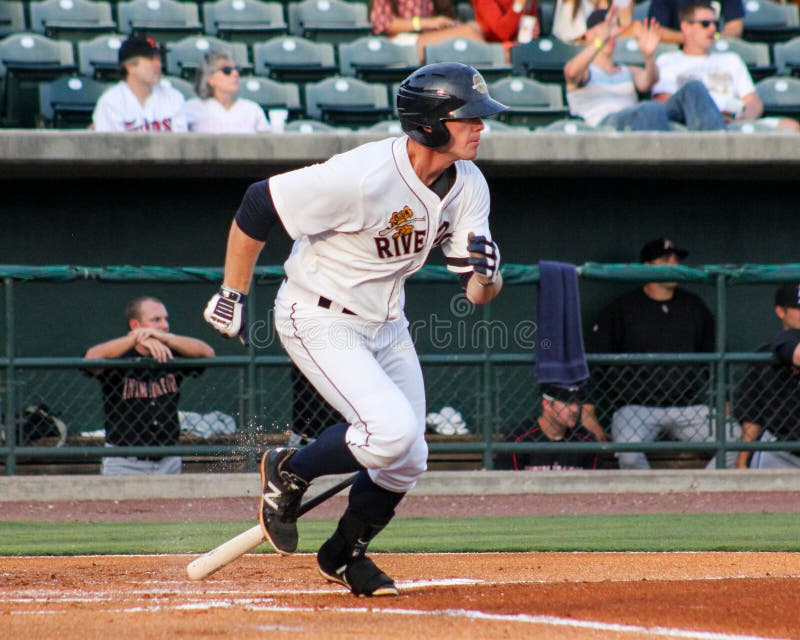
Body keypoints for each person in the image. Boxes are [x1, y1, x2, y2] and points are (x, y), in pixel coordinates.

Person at [203, 62, 507, 597]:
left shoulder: (469, 184)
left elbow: (476, 294)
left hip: (385, 323)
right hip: (317, 313)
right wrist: (233, 292)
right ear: (432, 123)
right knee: (390, 433)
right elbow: (258, 202)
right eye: (470, 117)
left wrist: (489, 275)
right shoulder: (364, 175)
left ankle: (344, 554)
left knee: (410, 455)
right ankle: (290, 468)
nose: (481, 126)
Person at [587, 238, 725, 470]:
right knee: (629, 455)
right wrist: (589, 412)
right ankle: (647, 503)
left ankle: (698, 497)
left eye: (676, 259)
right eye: (665, 259)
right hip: (636, 409)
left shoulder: (693, 306)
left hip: (688, 408)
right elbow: (594, 360)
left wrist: (725, 403)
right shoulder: (622, 307)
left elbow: (716, 355)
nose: (673, 264)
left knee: (736, 440)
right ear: (646, 266)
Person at [85, 296, 215, 475]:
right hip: (123, 461)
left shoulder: (172, 352)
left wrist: (166, 338)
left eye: (165, 319)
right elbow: (91, 358)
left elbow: (207, 353)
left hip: (168, 459)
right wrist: (135, 340)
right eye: (156, 320)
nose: (164, 325)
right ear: (135, 325)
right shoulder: (119, 355)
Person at [564, 7, 725, 130]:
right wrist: (599, 42)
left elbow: (648, 81)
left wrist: (648, 57)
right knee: (650, 108)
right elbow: (572, 72)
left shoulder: (627, 71)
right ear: (589, 34)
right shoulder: (586, 71)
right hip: (603, 125)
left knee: (694, 89)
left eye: (613, 29)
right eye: (605, 28)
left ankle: (717, 153)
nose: (611, 34)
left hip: (638, 119)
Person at [652, 1, 800, 131]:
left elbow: (753, 102)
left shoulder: (731, 59)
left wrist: (743, 118)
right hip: (694, 125)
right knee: (695, 89)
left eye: (715, 24)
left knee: (791, 127)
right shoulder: (668, 60)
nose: (712, 29)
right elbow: (665, 104)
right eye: (705, 24)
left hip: (733, 121)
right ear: (686, 27)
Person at [734, 283, 800, 469]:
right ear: (781, 311)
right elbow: (753, 414)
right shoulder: (774, 346)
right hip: (782, 452)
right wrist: (742, 459)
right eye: (798, 308)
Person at [92, 35, 187, 133]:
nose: (158, 65)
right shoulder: (111, 102)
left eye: (158, 59)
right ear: (130, 67)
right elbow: (110, 146)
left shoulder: (174, 98)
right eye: (151, 59)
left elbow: (180, 145)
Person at [494, 383, 601, 470]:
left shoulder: (587, 441)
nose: (575, 409)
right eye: (568, 402)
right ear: (547, 404)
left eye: (577, 402)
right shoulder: (518, 441)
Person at [185, 49, 271, 134]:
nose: (235, 74)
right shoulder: (192, 108)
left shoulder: (252, 109)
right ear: (210, 79)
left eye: (236, 69)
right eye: (227, 70)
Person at [370, 0, 485, 62]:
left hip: (428, 36)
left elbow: (447, 15)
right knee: (468, 32)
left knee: (474, 28)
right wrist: (426, 22)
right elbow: (382, 23)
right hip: (400, 42)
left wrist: (448, 24)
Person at [648, 0, 744, 44]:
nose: (712, 26)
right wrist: (695, 39)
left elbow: (735, 28)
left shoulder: (733, 61)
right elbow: (656, 30)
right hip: (675, 50)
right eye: (705, 24)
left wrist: (713, 36)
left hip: (715, 49)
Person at [472, 0, 540, 55]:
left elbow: (529, 20)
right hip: (492, 49)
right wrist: (518, 5)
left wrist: (533, 30)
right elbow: (502, 33)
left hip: (520, 47)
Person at [552, 0, 635, 45]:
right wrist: (600, 40)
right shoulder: (571, 2)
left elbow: (627, 39)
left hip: (611, 61)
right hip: (570, 59)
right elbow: (576, 41)